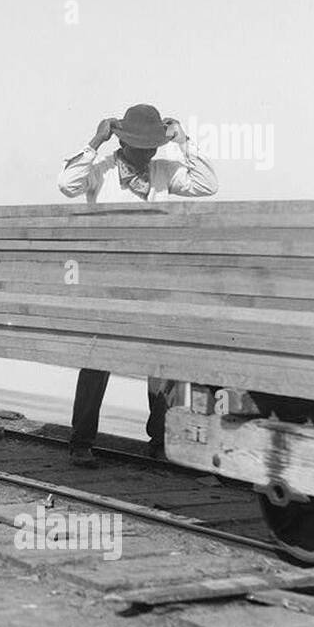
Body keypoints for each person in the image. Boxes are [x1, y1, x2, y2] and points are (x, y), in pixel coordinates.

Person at [57, 103, 218, 467]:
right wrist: (95, 141)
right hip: (109, 280)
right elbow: (66, 185)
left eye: (151, 147)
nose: (146, 154)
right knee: (97, 359)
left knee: (162, 360)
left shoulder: (163, 170)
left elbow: (208, 185)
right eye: (139, 147)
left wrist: (185, 142)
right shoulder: (101, 169)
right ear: (123, 142)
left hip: (152, 279)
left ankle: (162, 443)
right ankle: (81, 442)